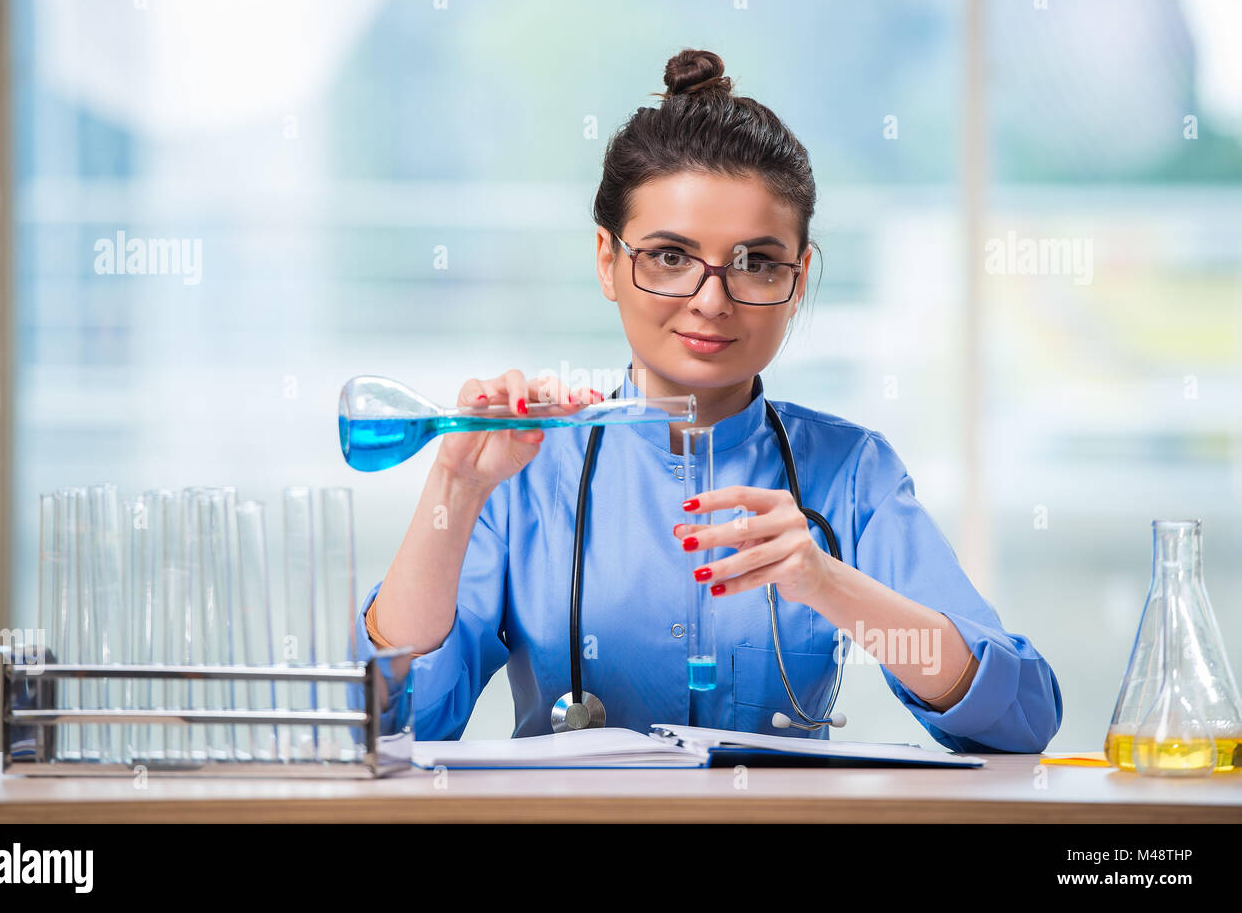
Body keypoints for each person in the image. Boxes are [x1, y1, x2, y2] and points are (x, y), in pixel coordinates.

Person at [354, 48, 1062, 753]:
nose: (711, 300)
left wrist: (827, 582)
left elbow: (1019, 717)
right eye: (669, 256)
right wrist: (457, 483)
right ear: (608, 259)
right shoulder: (527, 468)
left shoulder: (853, 471)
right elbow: (385, 724)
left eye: (756, 263)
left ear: (801, 274)